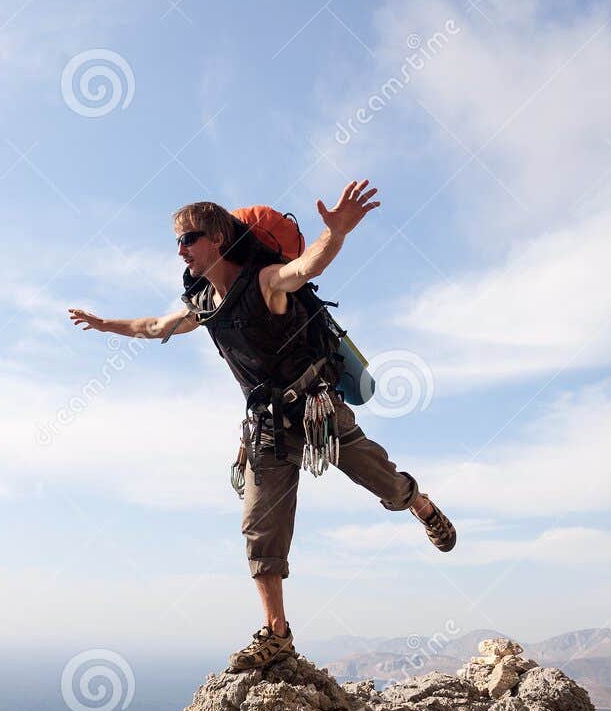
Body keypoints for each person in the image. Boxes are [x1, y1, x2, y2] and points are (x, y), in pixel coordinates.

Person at [68, 180, 455, 671]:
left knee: (381, 479)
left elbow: (304, 268)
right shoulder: (205, 303)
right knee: (259, 528)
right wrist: (106, 325)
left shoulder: (266, 281)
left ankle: (418, 503)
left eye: (189, 238)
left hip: (317, 411)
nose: (180, 250)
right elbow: (154, 326)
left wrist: (335, 235)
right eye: (178, 241)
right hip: (267, 427)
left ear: (218, 239)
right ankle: (278, 634)